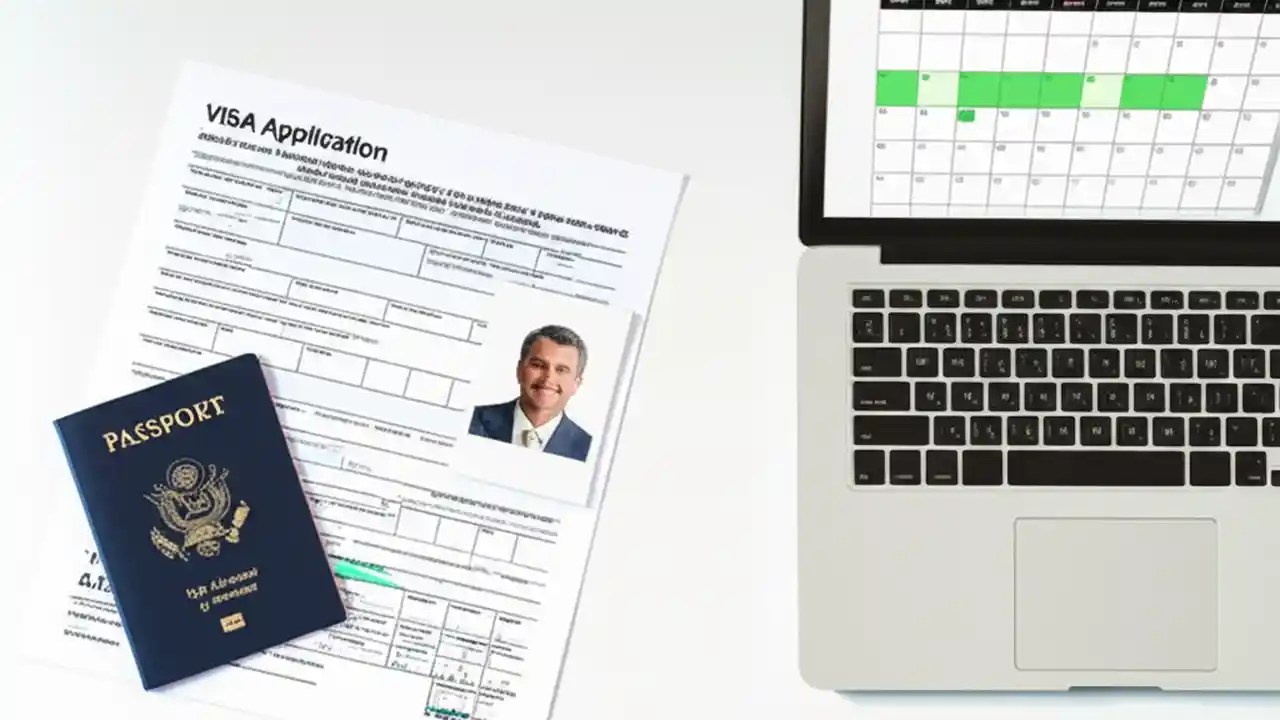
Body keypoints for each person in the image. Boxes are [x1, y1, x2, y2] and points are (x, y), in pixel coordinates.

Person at [468, 325, 593, 462]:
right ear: (519, 371)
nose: (548, 378)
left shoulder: (588, 450)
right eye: (538, 365)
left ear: (576, 384)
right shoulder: (471, 421)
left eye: (561, 370)